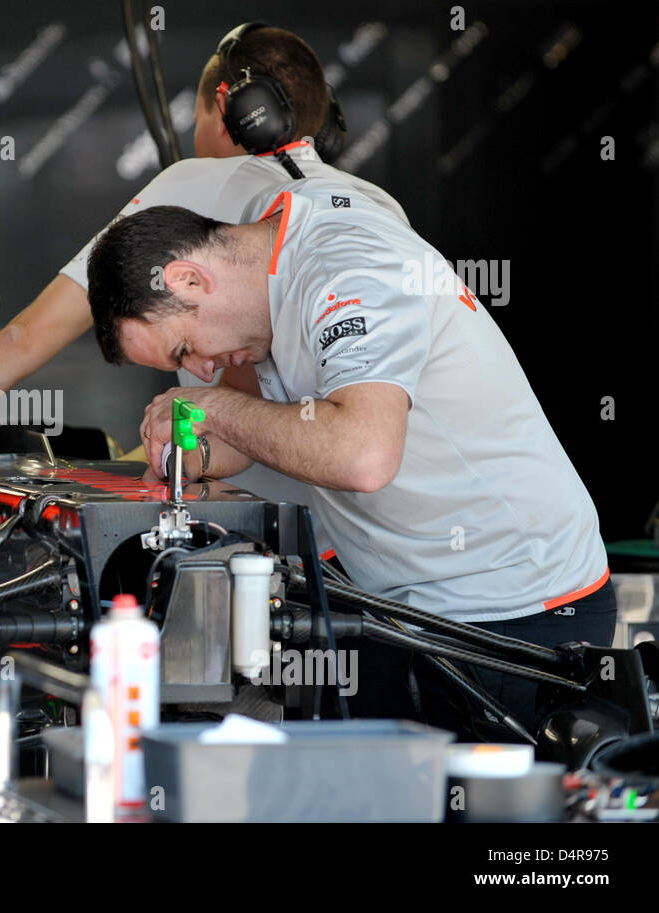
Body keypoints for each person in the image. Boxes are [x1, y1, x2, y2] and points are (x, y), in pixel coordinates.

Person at [0, 24, 397, 534]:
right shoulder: (374, 208)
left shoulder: (193, 183)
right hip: (366, 557)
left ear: (229, 106)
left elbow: (24, 341)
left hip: (244, 537)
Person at [83, 191, 614, 738]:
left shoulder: (351, 268)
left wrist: (213, 407)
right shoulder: (256, 296)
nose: (198, 369)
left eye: (184, 350)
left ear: (190, 279)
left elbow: (363, 455)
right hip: (391, 607)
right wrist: (191, 450)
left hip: (512, 608)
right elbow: (250, 431)